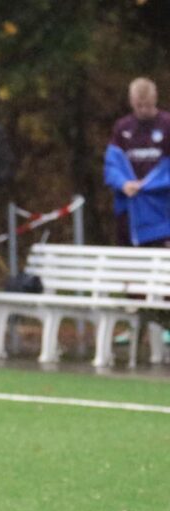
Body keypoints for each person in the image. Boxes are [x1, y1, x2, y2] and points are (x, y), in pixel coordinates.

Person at [104, 77, 170, 357]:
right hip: (131, 217)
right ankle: (135, 323)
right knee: (132, 268)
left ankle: (165, 322)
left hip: (161, 215)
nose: (143, 109)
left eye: (147, 104)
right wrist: (124, 184)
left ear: (155, 101)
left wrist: (151, 185)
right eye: (138, 105)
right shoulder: (123, 129)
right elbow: (112, 164)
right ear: (132, 103)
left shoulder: (167, 125)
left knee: (164, 268)